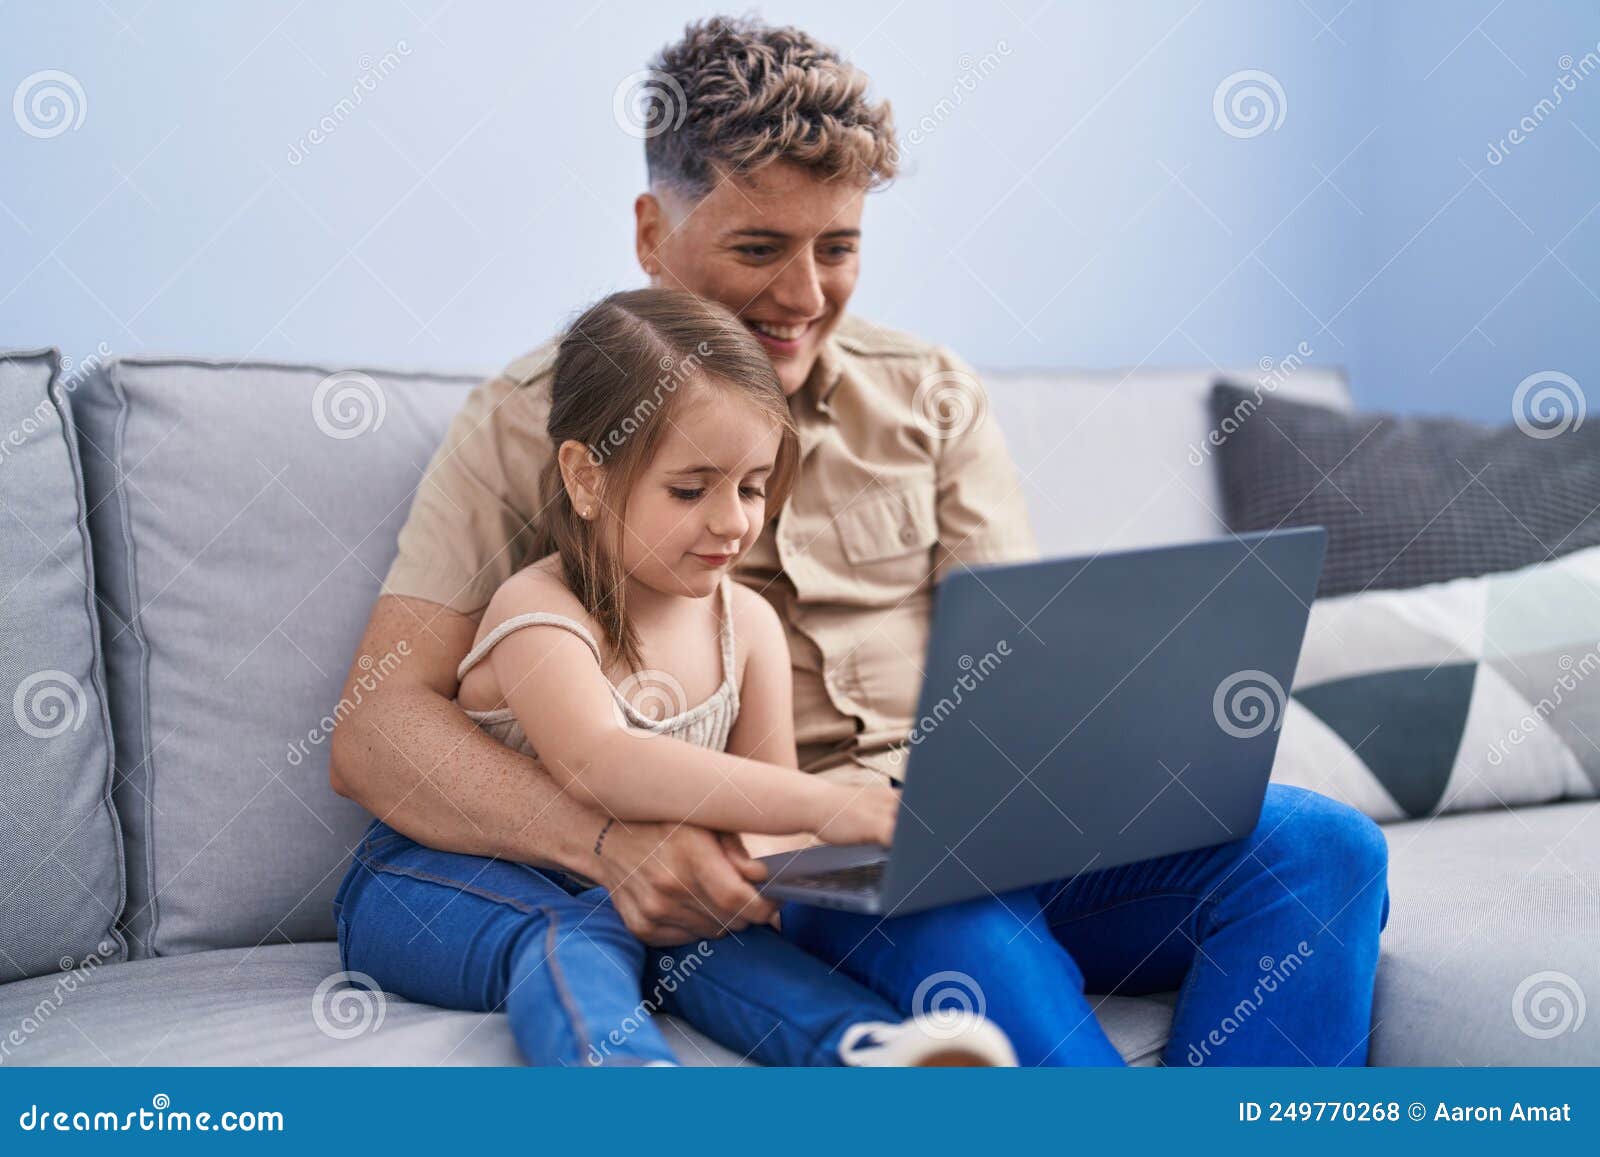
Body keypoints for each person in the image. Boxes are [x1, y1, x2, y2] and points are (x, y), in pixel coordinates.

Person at [331, 15, 1391, 1067]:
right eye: (758, 247)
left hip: (971, 826)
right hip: (805, 863)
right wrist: (604, 845)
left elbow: (1027, 675)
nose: (802, 297)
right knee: (967, 929)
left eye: (836, 249)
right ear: (652, 234)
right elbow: (377, 724)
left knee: (1321, 845)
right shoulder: (542, 422)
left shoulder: (928, 394)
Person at [333, 288, 1019, 1066]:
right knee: (578, 932)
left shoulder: (748, 625)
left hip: (612, 883)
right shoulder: (540, 612)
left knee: (711, 935)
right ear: (586, 479)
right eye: (691, 489)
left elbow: (767, 810)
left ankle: (866, 1052)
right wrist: (838, 805)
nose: (732, 521)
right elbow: (603, 762)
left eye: (753, 487)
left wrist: (773, 873)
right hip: (433, 877)